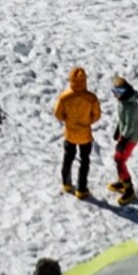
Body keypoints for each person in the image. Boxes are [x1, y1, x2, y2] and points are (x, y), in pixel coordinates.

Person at [54, 67, 102, 198]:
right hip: (85, 135)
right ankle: (81, 189)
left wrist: (67, 120)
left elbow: (58, 113)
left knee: (68, 158)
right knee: (84, 161)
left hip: (70, 134)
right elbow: (97, 115)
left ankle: (66, 183)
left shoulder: (65, 97)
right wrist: (88, 122)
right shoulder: (91, 98)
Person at [109, 76, 138, 203]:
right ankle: (122, 181)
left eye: (119, 92)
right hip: (124, 135)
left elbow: (130, 126)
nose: (116, 95)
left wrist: (123, 140)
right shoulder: (122, 102)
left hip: (130, 138)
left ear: (126, 91)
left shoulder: (131, 106)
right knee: (118, 159)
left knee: (120, 160)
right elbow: (122, 120)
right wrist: (118, 130)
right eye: (115, 91)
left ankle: (129, 189)